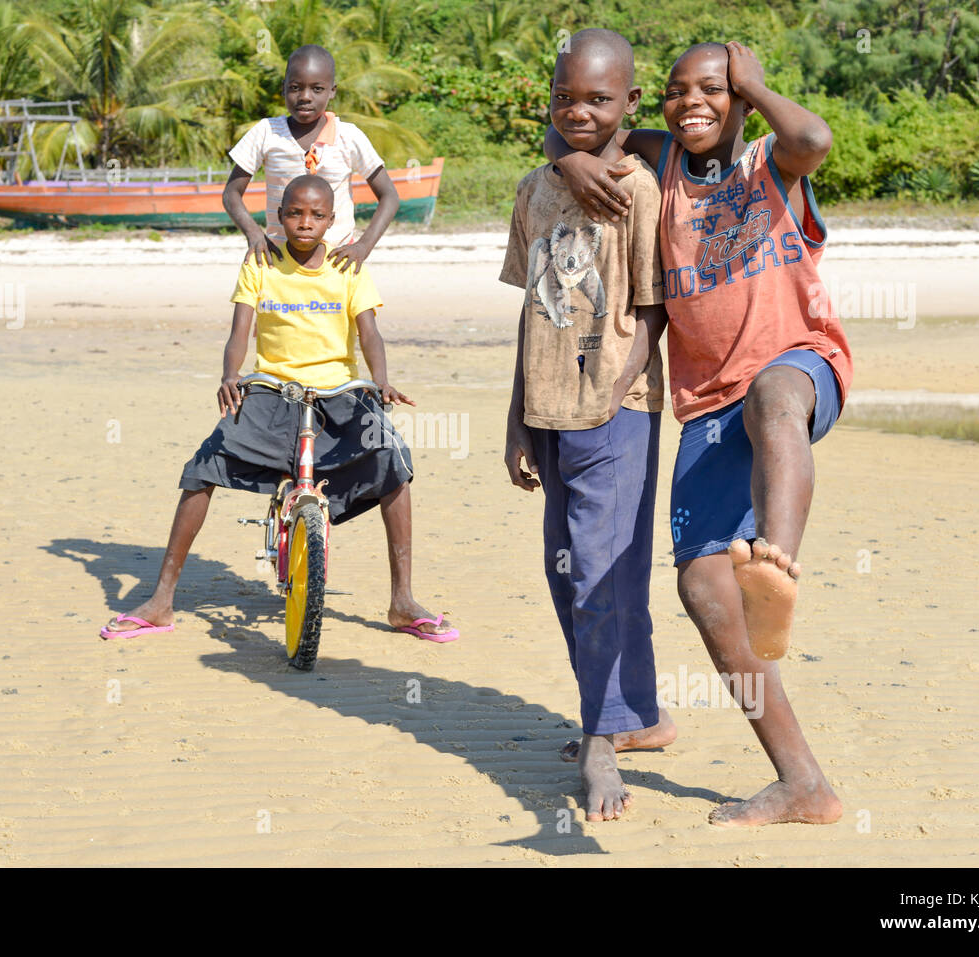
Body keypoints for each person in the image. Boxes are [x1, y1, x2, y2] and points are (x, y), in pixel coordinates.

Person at [547, 41, 851, 826]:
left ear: (743, 98)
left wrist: (752, 81)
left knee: (774, 401)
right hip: (706, 405)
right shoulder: (662, 162)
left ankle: (777, 565)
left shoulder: (770, 163)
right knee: (701, 587)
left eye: (713, 90)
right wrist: (572, 165)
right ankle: (803, 782)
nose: (694, 103)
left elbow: (814, 140)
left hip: (796, 361)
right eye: (680, 91)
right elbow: (575, 132)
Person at [103, 175, 457, 644]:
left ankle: (403, 601)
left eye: (316, 215)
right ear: (279, 215)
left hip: (340, 391)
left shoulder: (347, 266)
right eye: (294, 213)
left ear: (332, 221)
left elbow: (369, 332)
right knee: (204, 466)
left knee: (393, 461)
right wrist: (231, 375)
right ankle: (162, 599)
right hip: (272, 388)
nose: (304, 222)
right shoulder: (261, 262)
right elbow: (240, 332)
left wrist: (380, 381)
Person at [502, 29, 675, 823]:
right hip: (547, 412)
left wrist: (614, 390)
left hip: (616, 413)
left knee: (599, 575)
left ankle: (601, 739)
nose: (580, 112)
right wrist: (516, 418)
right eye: (565, 98)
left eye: (598, 100)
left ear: (630, 105)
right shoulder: (535, 189)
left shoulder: (641, 190)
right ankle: (635, 714)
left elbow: (653, 310)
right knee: (569, 568)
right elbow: (529, 308)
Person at [222, 44, 400, 275]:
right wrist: (254, 234)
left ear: (332, 91)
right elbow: (231, 193)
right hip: (278, 259)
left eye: (317, 89)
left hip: (338, 261)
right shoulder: (266, 132)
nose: (305, 97)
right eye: (295, 87)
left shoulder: (349, 136)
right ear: (283, 88)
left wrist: (362, 247)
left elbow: (389, 196)